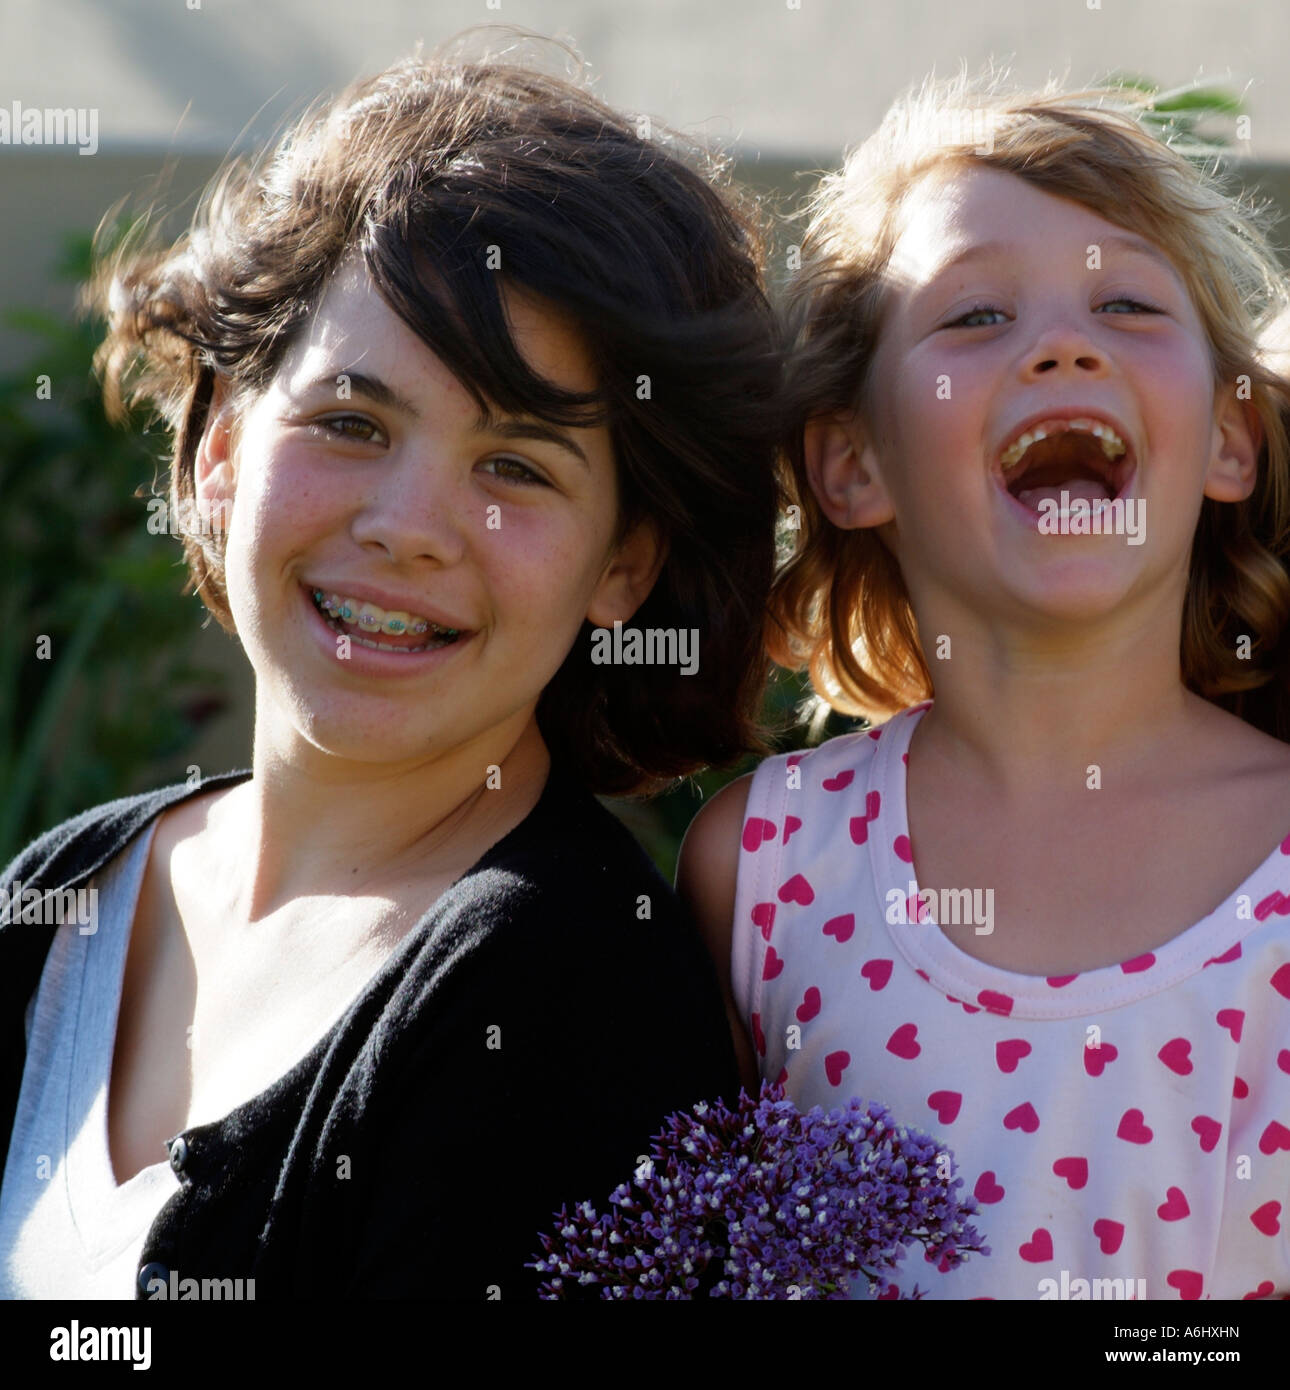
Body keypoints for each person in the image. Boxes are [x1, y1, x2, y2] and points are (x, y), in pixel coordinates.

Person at [0, 36, 782, 1300]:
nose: (408, 525)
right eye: (352, 422)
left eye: (518, 465)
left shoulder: (560, 993)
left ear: (622, 567)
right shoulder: (64, 894)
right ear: (221, 454)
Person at [679, 73, 1290, 1300]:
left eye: (1126, 302)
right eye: (973, 319)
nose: (1065, 343)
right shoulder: (767, 863)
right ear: (853, 464)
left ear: (1229, 439)